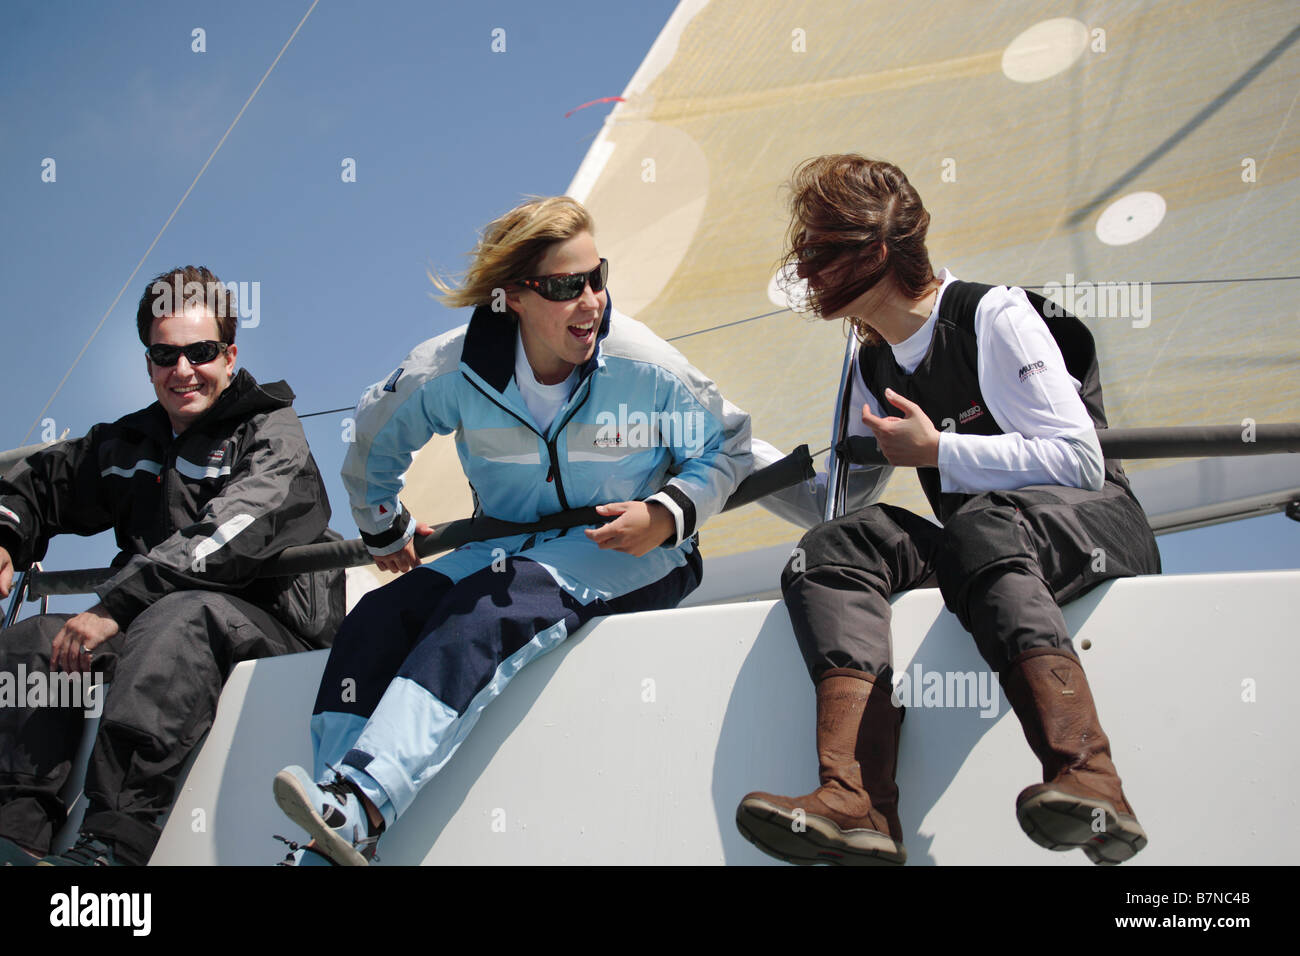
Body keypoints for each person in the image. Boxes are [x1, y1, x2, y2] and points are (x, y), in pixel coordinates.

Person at [270, 196, 752, 866]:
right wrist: (383, 525)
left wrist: (668, 513)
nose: (591, 302)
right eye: (565, 287)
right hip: (501, 550)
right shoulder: (452, 369)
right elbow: (373, 437)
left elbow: (729, 445)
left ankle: (360, 803)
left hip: (628, 551)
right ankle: (334, 829)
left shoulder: (645, 364)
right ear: (514, 298)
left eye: (596, 277)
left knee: (481, 616)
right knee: (375, 619)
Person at [736, 156, 1161, 866]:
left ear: (872, 253)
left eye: (814, 253)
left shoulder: (993, 314)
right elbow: (834, 503)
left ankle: (1092, 778)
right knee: (836, 547)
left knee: (979, 524)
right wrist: (722, 447)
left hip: (1093, 527)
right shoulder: (871, 363)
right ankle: (857, 801)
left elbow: (1080, 459)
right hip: (988, 548)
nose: (803, 274)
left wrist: (940, 451)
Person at [0, 265, 344, 866]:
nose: (182, 371)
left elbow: (232, 534)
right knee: (35, 642)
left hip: (274, 637)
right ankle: (15, 839)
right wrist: (5, 538)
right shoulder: (127, 444)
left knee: (179, 619)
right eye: (164, 355)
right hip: (158, 620)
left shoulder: (272, 432)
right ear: (149, 362)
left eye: (201, 352)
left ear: (230, 355)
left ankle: (112, 847)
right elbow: (35, 483)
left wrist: (116, 605)